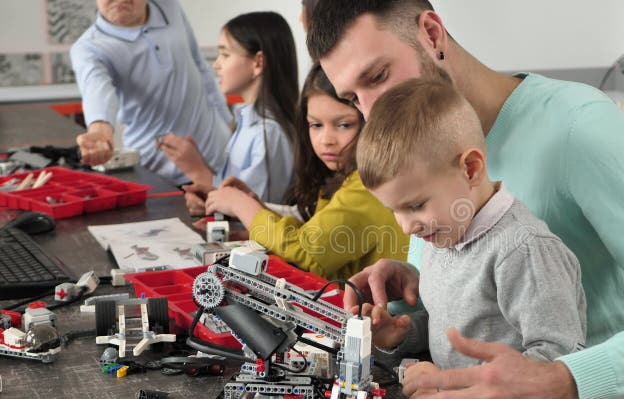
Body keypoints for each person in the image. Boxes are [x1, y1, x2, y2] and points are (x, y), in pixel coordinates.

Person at [307, 1, 624, 399]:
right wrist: (418, 283)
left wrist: (557, 383)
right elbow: (489, 294)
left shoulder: (577, 127)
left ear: (432, 35)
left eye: (377, 77)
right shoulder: (425, 157)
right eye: (353, 98)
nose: (372, 112)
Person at [356, 76, 588, 399]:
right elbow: (457, 330)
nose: (405, 227)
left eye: (415, 205)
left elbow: (558, 367)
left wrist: (450, 387)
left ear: (470, 169)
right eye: (394, 211)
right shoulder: (444, 236)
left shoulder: (522, 248)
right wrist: (398, 336)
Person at [203, 64, 408, 281]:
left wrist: (242, 206)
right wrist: (253, 206)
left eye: (344, 125)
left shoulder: (368, 184)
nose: (326, 140)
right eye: (316, 125)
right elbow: (316, 233)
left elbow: (308, 253)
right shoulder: (344, 175)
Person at [71, 0, 232, 185]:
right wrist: (99, 132)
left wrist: (227, 121)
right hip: (161, 172)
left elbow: (199, 64)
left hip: (220, 157)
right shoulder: (88, 48)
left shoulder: (169, 7)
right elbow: (97, 92)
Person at [159, 11, 296, 204]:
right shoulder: (245, 122)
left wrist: (196, 170)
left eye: (225, 54)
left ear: (258, 62)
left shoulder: (269, 134)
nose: (216, 64)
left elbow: (255, 214)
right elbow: (231, 191)